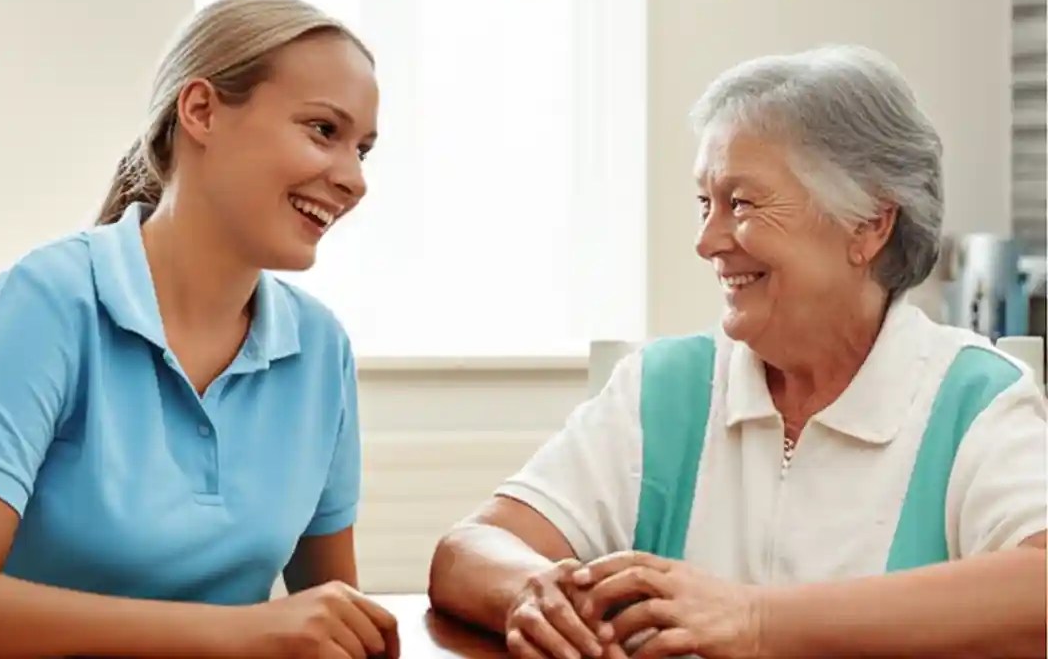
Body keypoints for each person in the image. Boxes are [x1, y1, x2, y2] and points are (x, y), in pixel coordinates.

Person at [429, 45, 1047, 659]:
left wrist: (755, 621)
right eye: (706, 203)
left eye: (742, 203)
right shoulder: (664, 387)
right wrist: (529, 592)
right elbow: (470, 550)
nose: (707, 241)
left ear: (868, 226)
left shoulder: (975, 398)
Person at [0, 0, 400, 658]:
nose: (355, 179)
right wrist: (238, 634)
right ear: (201, 111)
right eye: (323, 131)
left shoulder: (320, 349)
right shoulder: (45, 303)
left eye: (363, 149)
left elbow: (333, 622)